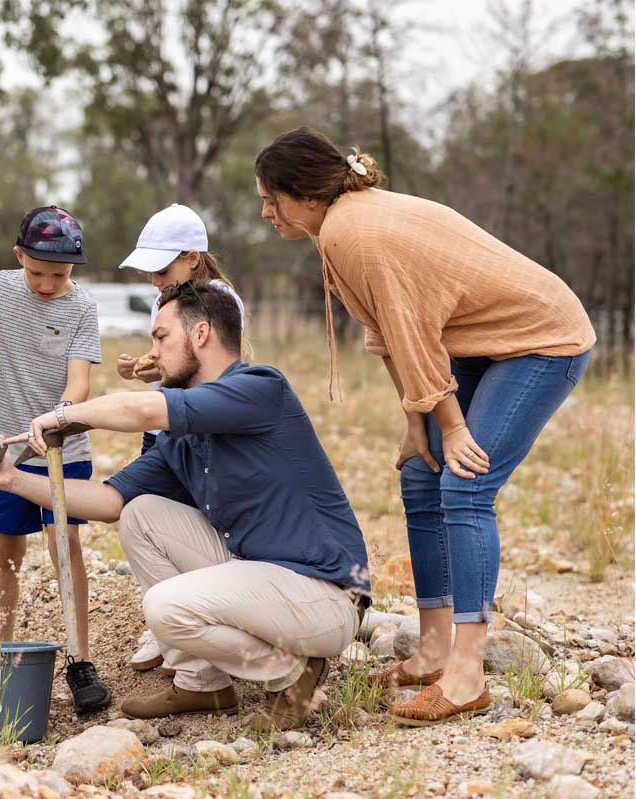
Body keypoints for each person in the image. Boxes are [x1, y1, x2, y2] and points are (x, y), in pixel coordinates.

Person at [253, 127, 595, 726]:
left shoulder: (353, 232)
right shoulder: (339, 228)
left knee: (465, 483)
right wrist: (419, 425)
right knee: (420, 473)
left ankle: (467, 675)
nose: (265, 213)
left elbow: (412, 335)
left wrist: (454, 426)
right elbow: (393, 336)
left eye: (269, 198)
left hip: (541, 339)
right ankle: (433, 648)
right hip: (477, 339)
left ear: (304, 194)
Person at [0, 282, 371, 730]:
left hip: (323, 595)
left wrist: (64, 415)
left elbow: (148, 411)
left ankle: (293, 674)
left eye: (161, 337)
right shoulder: (182, 437)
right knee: (140, 514)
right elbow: (108, 501)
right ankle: (203, 684)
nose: (151, 353)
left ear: (201, 334)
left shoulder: (259, 387)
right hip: (263, 578)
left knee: (165, 607)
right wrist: (11, 479)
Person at [0, 205, 111, 713]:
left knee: (64, 544)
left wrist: (60, 416)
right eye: (37, 272)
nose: (48, 284)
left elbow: (80, 382)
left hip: (61, 449)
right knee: (6, 554)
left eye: (60, 275)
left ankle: (80, 659)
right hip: (4, 445)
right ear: (17, 257)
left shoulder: (82, 308)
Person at [112, 203, 246, 673]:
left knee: (189, 522)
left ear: (192, 257)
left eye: (160, 268)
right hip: (161, 430)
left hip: (196, 430)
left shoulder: (222, 302)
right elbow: (169, 361)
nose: (153, 279)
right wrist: (141, 368)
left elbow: (215, 369)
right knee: (144, 520)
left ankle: (201, 618)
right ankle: (164, 620)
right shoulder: (165, 300)